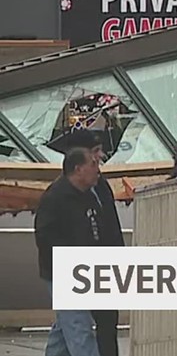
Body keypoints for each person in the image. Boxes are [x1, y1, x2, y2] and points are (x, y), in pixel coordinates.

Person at [46, 129, 125, 356]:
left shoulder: (97, 187)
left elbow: (109, 227)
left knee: (77, 326)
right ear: (78, 164)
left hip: (100, 269)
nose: (99, 158)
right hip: (73, 272)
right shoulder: (59, 196)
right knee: (78, 328)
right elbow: (49, 238)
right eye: (94, 153)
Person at [34, 146, 105, 356]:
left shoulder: (88, 195)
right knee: (79, 328)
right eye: (93, 164)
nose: (98, 169)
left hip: (84, 270)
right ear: (78, 169)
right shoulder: (55, 198)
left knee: (65, 327)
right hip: (64, 272)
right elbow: (45, 237)